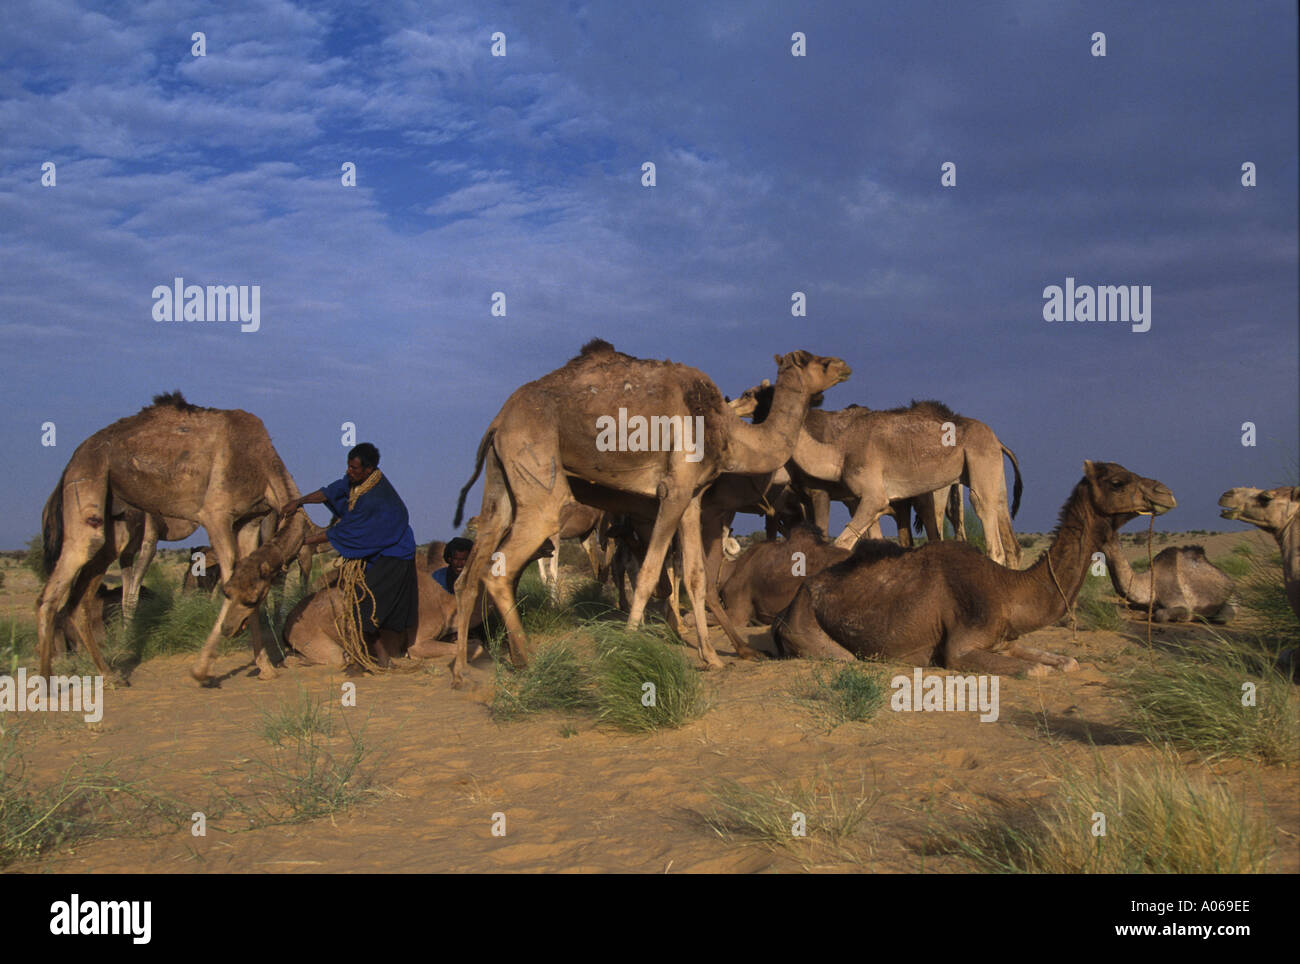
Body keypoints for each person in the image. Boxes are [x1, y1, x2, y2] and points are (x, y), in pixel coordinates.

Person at [282, 443, 416, 669]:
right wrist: (300, 501)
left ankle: (370, 660)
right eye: (348, 466)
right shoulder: (358, 482)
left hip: (394, 554)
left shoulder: (377, 499)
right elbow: (329, 492)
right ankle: (378, 659)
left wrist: (303, 542)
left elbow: (347, 530)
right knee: (358, 601)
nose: (349, 471)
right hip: (378, 550)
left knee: (363, 604)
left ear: (369, 469)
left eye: (354, 468)